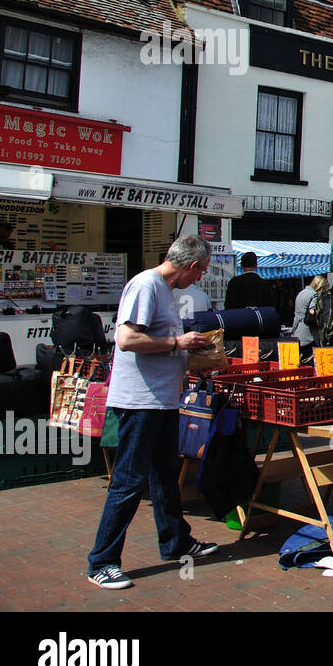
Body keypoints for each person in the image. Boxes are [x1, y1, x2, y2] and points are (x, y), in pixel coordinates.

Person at [87, 235, 219, 589]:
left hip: (160, 399)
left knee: (165, 474)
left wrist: (190, 360)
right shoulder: (146, 285)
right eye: (201, 271)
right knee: (130, 481)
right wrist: (179, 343)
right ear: (191, 266)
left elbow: (155, 344)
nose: (200, 279)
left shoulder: (164, 291)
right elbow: (127, 339)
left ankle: (176, 540)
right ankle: (102, 561)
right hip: (139, 401)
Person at [291, 275, 325, 347]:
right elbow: (312, 311)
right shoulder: (314, 295)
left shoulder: (301, 293)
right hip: (309, 335)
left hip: (297, 331)